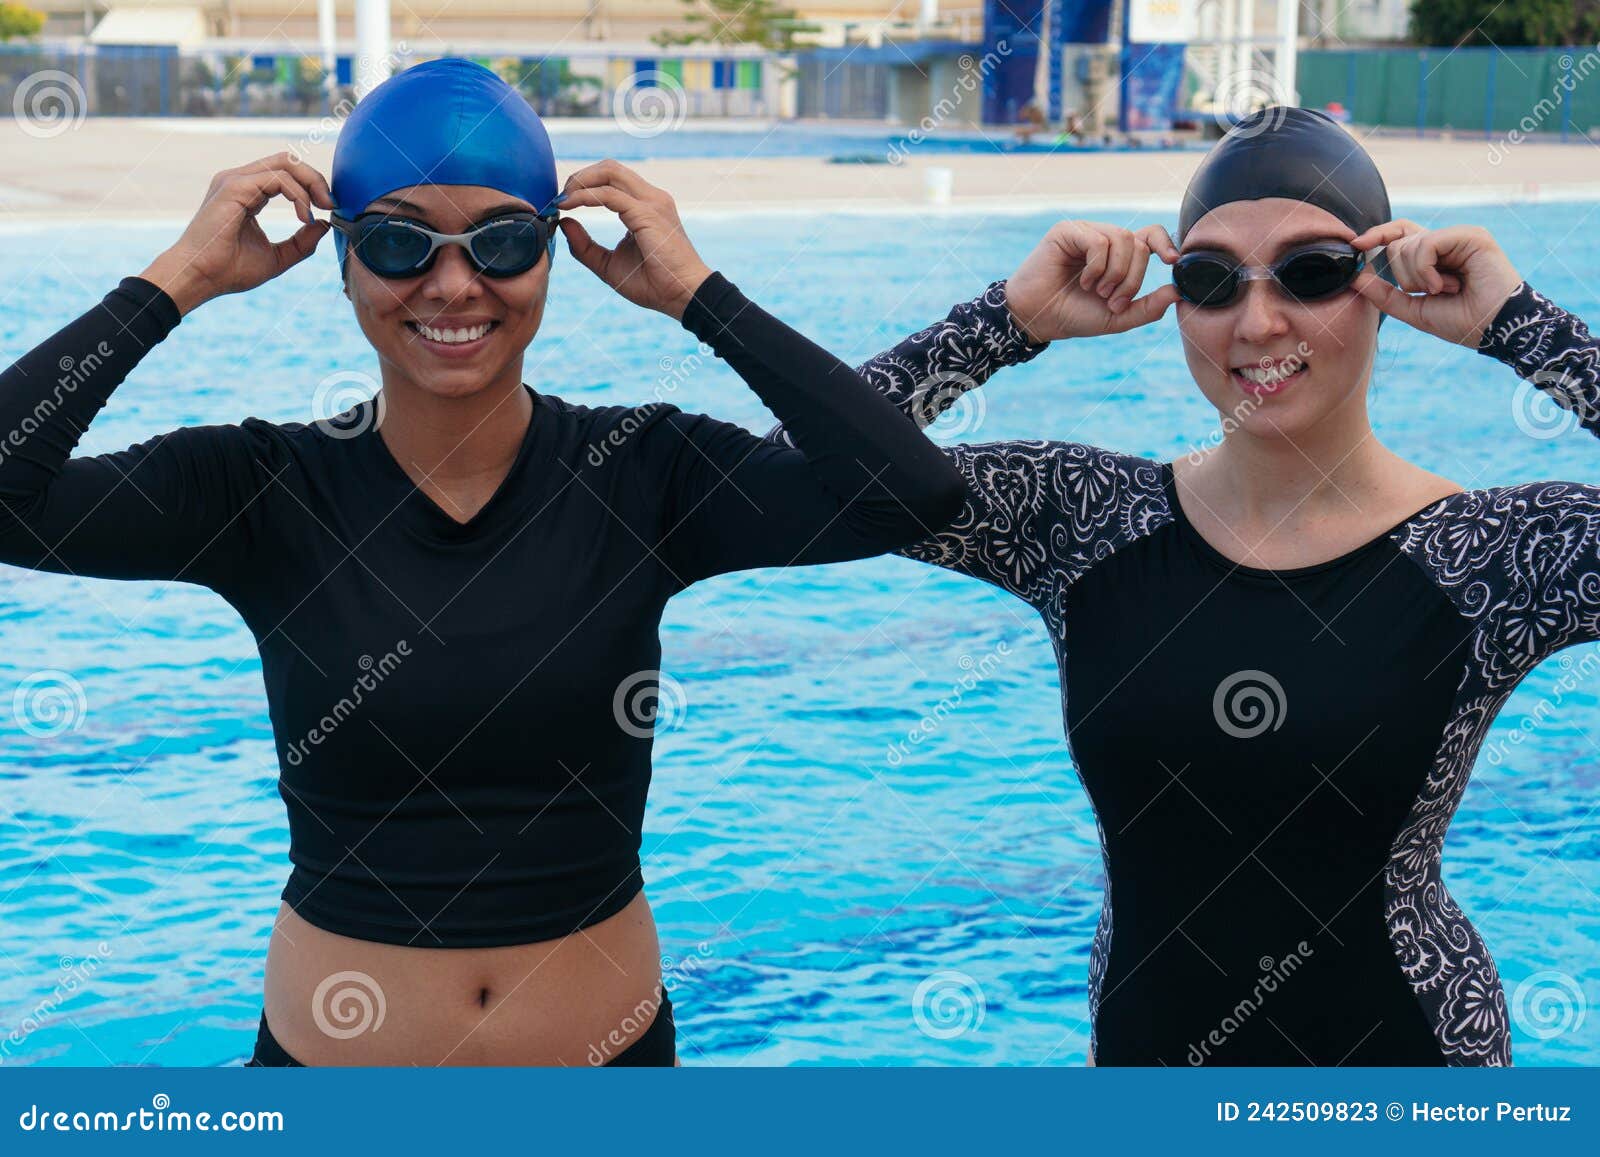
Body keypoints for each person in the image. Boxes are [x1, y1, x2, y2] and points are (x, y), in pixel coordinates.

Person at [0, 58, 965, 1066]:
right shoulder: (258, 489)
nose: (453, 283)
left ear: (553, 253)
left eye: (503, 241)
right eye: (398, 242)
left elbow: (909, 493)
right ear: (343, 259)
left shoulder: (644, 472)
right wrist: (180, 277)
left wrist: (697, 294)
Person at [770, 106, 1598, 1065]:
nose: (1257, 321)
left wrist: (1523, 327)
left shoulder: (1489, 554)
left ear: (1381, 287)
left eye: (1314, 272)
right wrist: (1004, 322)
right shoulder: (1082, 520)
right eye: (1210, 281)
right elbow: (790, 482)